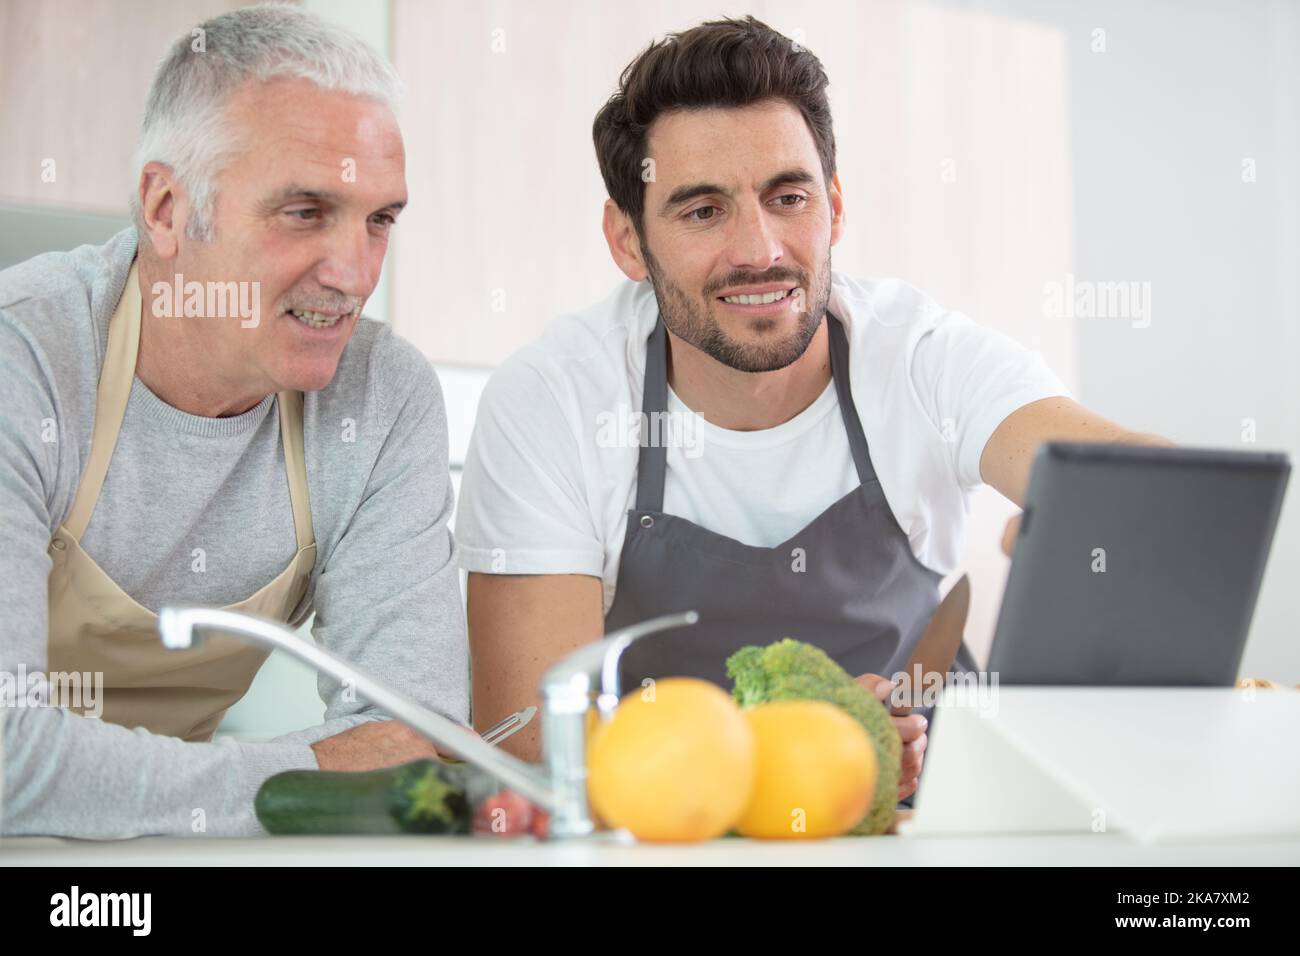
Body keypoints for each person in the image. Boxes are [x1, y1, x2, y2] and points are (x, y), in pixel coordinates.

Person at [457, 16, 1170, 803]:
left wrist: (1098, 519)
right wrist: (795, 759)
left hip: (930, 822)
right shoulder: (556, 401)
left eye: (787, 196)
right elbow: (529, 744)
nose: (760, 250)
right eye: (703, 211)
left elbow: (1153, 486)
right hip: (664, 840)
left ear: (833, 204)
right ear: (627, 240)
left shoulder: (920, 357)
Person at [0, 5, 465, 838]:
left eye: (380, 220)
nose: (355, 274)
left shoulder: (380, 398)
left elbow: (409, 746)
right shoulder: (24, 363)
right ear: (168, 208)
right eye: (305, 212)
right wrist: (312, 770)